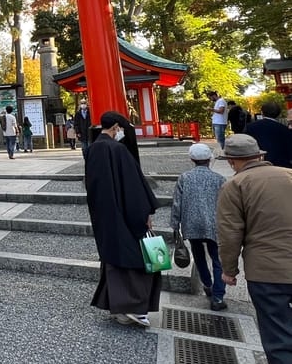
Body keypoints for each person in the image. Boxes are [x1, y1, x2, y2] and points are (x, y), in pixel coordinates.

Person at [216, 134, 292, 364]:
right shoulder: (289, 175)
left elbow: (230, 233)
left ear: (231, 161)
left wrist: (229, 270)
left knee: (279, 338)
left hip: (267, 272)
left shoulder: (235, 185)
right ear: (259, 156)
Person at [86, 111, 161, 328]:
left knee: (113, 259)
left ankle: (117, 306)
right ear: (116, 127)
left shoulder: (93, 149)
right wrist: (143, 214)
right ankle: (134, 306)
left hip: (104, 215)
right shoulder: (118, 150)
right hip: (126, 214)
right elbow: (132, 187)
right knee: (135, 260)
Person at [170, 143, 227, 310]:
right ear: (210, 159)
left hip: (192, 223)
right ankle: (218, 297)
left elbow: (177, 203)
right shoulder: (219, 179)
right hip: (214, 224)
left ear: (192, 159)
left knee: (198, 255)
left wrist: (175, 225)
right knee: (218, 260)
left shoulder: (184, 178)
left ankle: (207, 284)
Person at [245, 101, 292, 168]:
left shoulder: (250, 127)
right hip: (281, 165)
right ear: (279, 114)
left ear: (262, 113)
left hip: (258, 164)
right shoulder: (284, 129)